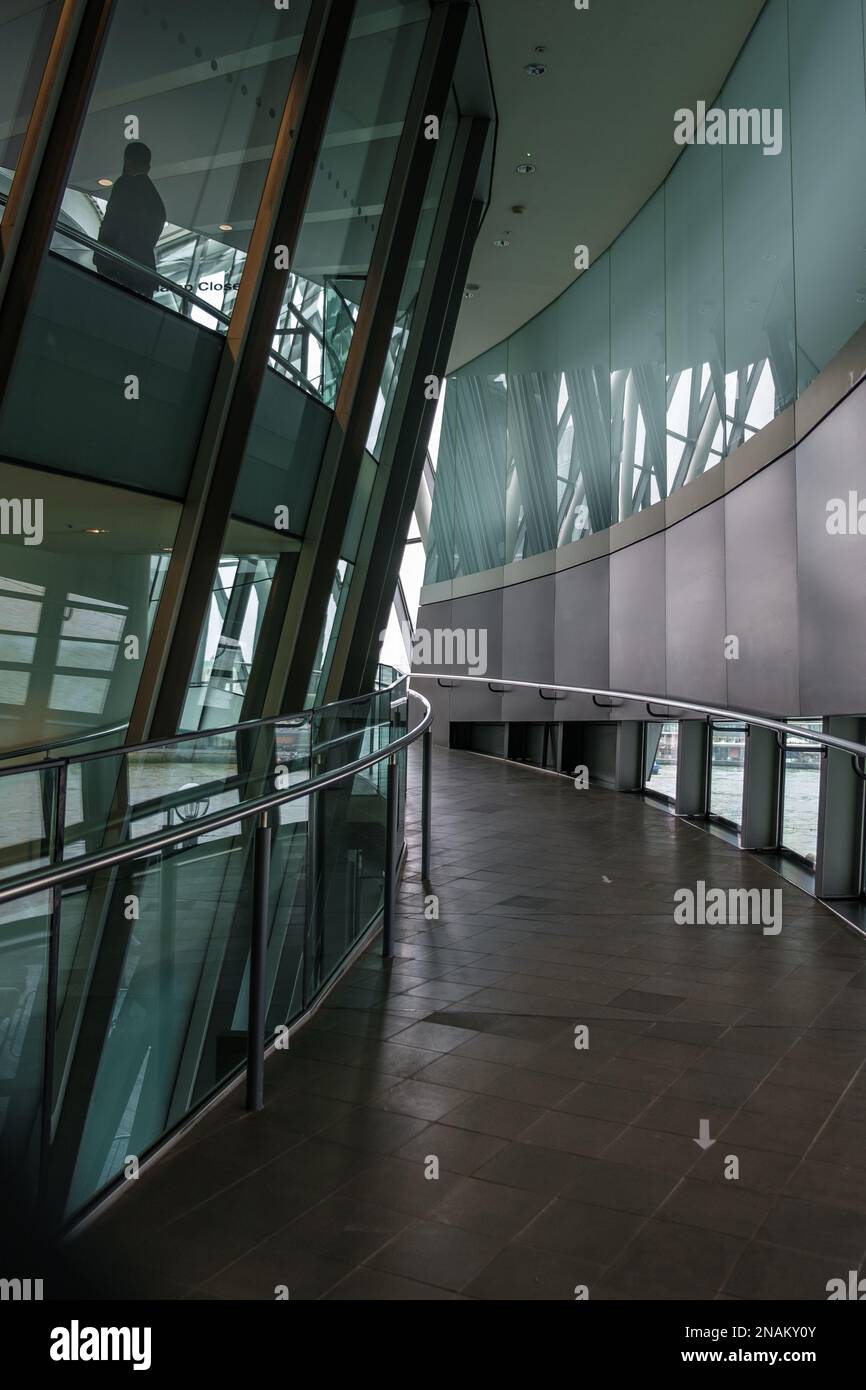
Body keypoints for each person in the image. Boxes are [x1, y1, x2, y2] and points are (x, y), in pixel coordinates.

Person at [93, 141, 166, 297]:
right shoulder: (156, 200)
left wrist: (100, 256)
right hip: (143, 274)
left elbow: (112, 223)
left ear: (127, 161)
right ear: (148, 167)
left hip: (117, 269)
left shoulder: (125, 185)